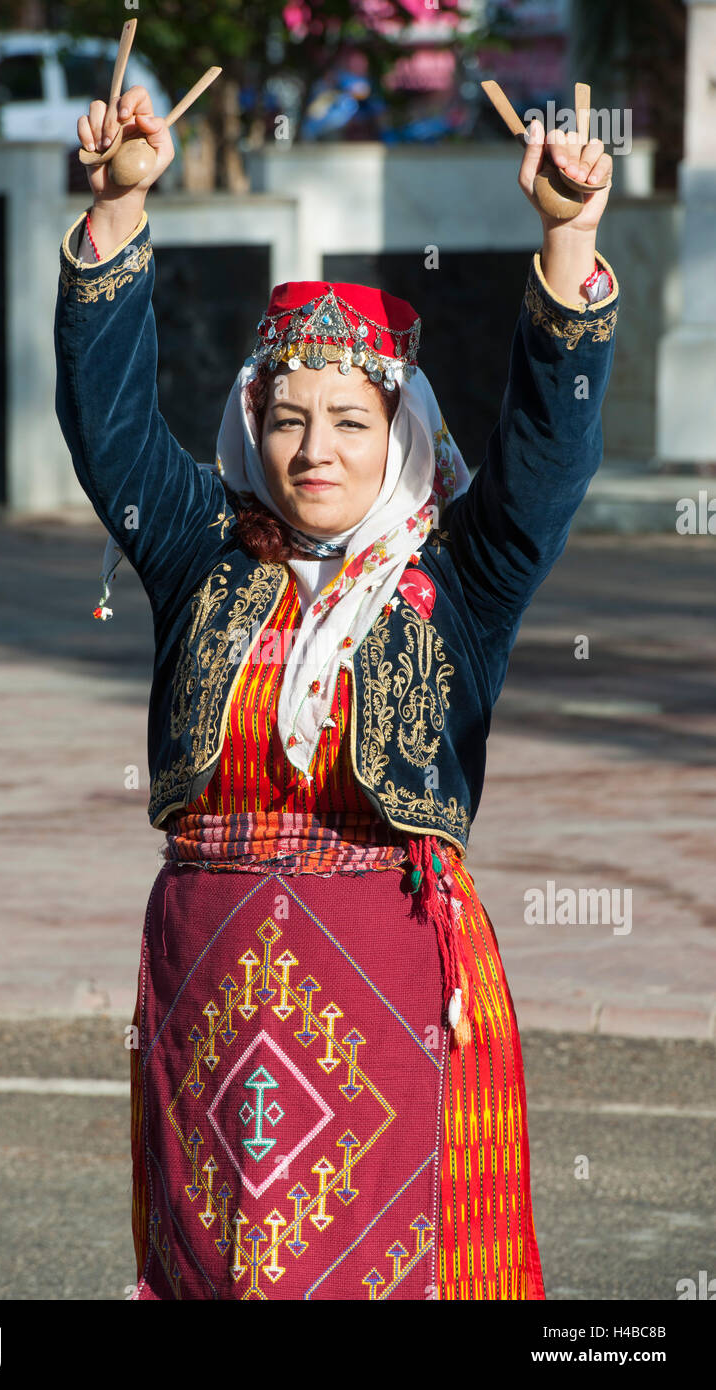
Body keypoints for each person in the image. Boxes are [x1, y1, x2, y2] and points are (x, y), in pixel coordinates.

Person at [55, 87, 618, 1301]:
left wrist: (565, 239)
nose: (315, 449)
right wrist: (120, 205)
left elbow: (547, 454)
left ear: (399, 432)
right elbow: (106, 432)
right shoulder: (202, 551)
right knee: (220, 1269)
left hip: (394, 985)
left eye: (349, 421)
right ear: (251, 426)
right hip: (209, 981)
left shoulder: (460, 575)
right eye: (288, 418)